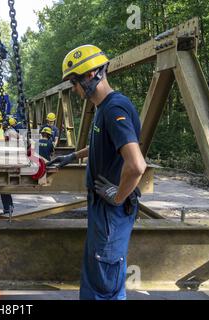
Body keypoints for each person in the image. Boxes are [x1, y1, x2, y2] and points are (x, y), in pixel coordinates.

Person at [48, 45, 146, 300]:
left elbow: (136, 165)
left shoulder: (114, 109)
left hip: (110, 210)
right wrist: (71, 156)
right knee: (99, 273)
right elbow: (103, 144)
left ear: (91, 75)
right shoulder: (104, 108)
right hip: (103, 207)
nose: (74, 89)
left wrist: (118, 197)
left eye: (74, 82)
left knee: (105, 282)